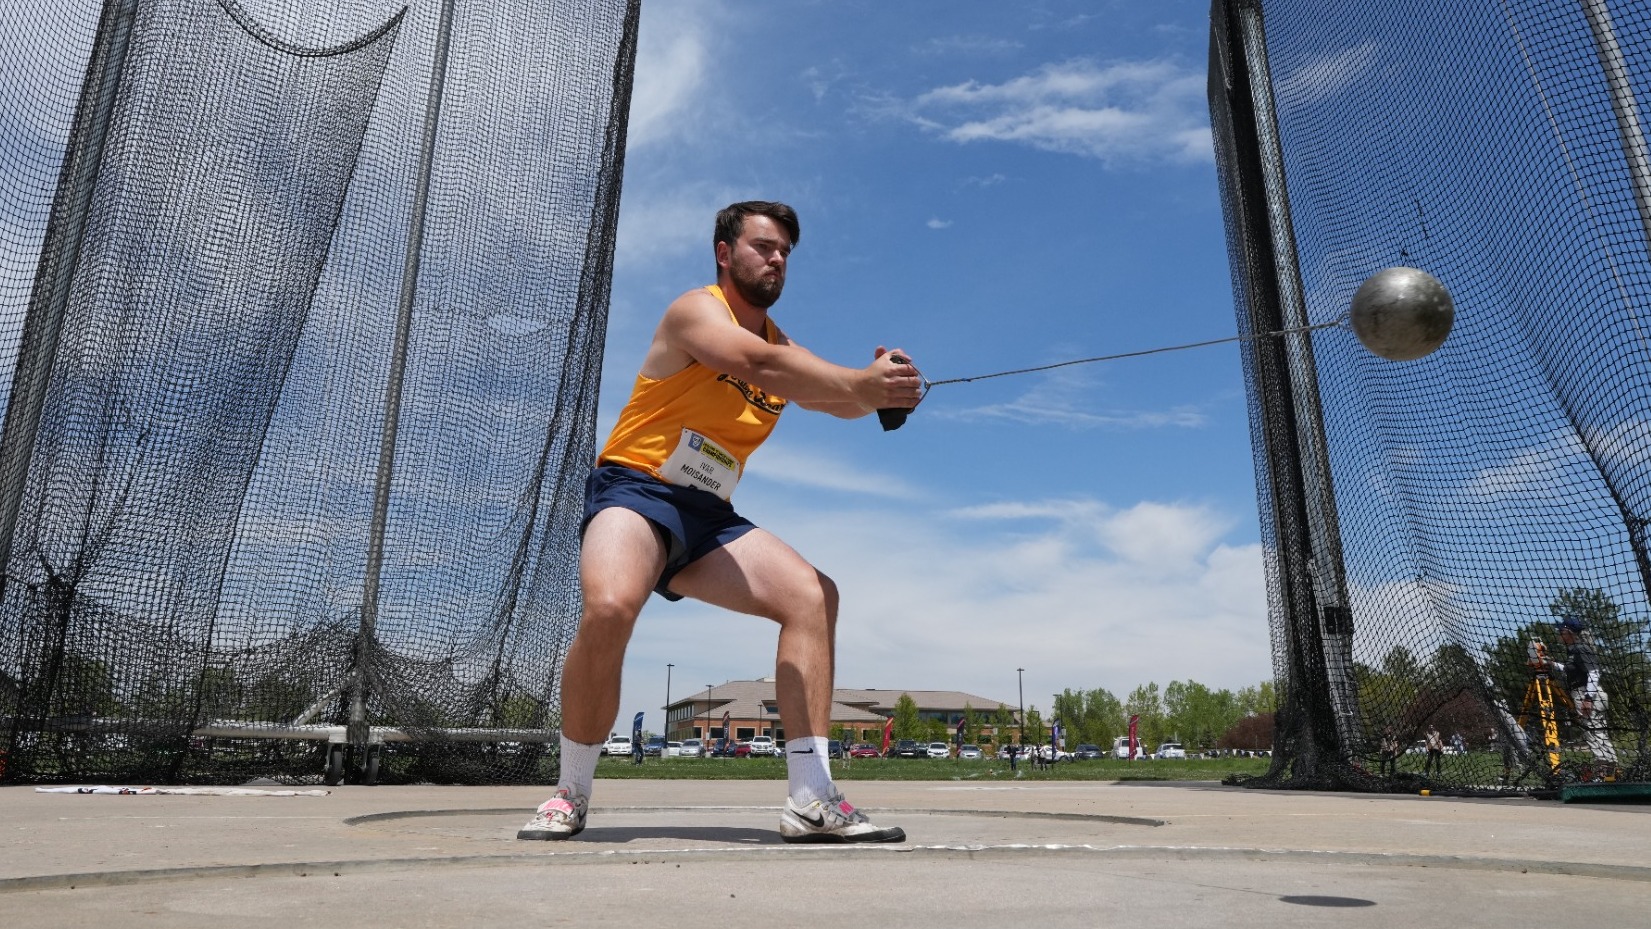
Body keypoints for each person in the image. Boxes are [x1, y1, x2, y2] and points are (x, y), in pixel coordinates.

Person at [518, 202, 920, 844]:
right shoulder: (695, 312)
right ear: (724, 254)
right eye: (763, 245)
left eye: (786, 249)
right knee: (612, 607)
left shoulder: (782, 345)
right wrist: (857, 382)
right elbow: (759, 368)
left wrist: (884, 392)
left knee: (813, 596)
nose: (777, 257)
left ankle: (813, 798)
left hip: (708, 514)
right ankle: (571, 790)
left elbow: (826, 395)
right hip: (637, 490)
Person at [1550, 615, 1618, 774]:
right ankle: (1608, 772)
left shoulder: (1581, 648)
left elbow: (1594, 673)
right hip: (1584, 693)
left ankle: (1607, 773)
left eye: (1561, 630)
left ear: (1568, 632)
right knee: (1594, 733)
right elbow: (1570, 669)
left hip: (1588, 694)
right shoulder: (1573, 651)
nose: (1559, 633)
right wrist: (1552, 664)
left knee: (1596, 734)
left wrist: (1588, 699)